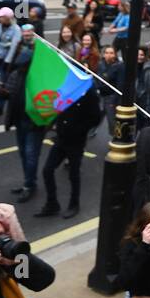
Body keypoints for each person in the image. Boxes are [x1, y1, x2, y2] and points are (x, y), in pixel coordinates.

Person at [38, 85, 101, 219]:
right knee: (47, 170)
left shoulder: (88, 92)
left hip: (76, 141)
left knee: (74, 173)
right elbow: (58, 107)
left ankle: (74, 204)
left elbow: (96, 117)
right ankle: (52, 203)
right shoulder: (64, 88)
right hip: (61, 138)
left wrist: (80, 130)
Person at [2, 26, 41, 202]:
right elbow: (9, 92)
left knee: (31, 155)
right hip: (19, 120)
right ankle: (29, 181)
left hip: (33, 123)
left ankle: (29, 185)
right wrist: (2, 91)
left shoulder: (38, 78)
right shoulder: (17, 74)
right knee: (24, 154)